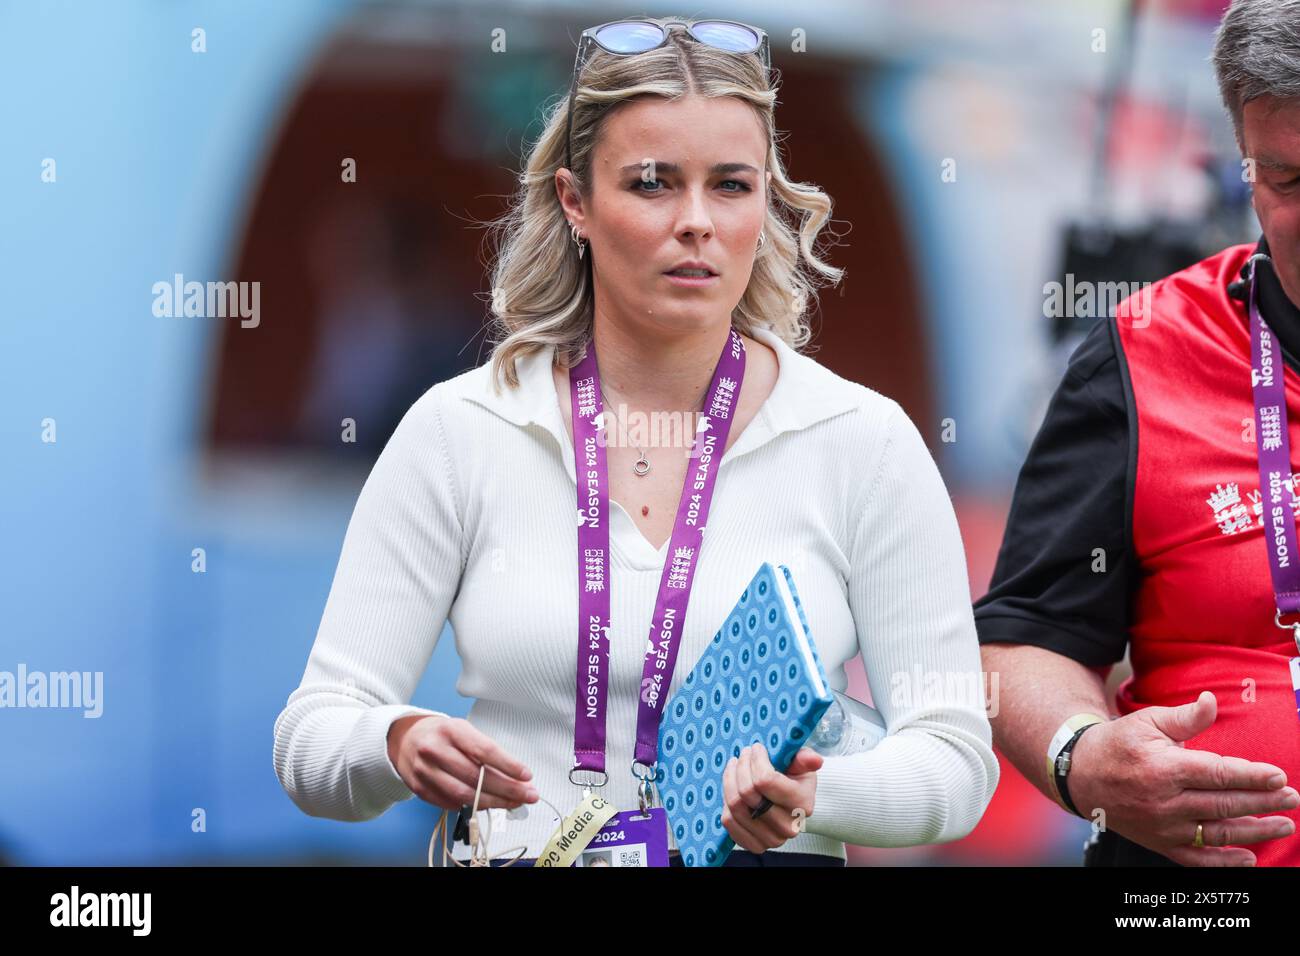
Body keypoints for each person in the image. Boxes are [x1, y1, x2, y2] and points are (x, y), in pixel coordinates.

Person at [273, 15, 998, 866]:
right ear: (574, 201)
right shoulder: (459, 429)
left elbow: (956, 764)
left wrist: (816, 796)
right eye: (652, 183)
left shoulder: (863, 442)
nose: (696, 221)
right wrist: (392, 741)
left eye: (731, 185)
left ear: (766, 200)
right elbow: (311, 736)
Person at [974, 0, 1300, 867]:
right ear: (1245, 170)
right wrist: (1080, 757)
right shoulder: (1141, 353)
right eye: (1289, 181)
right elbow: (1025, 635)